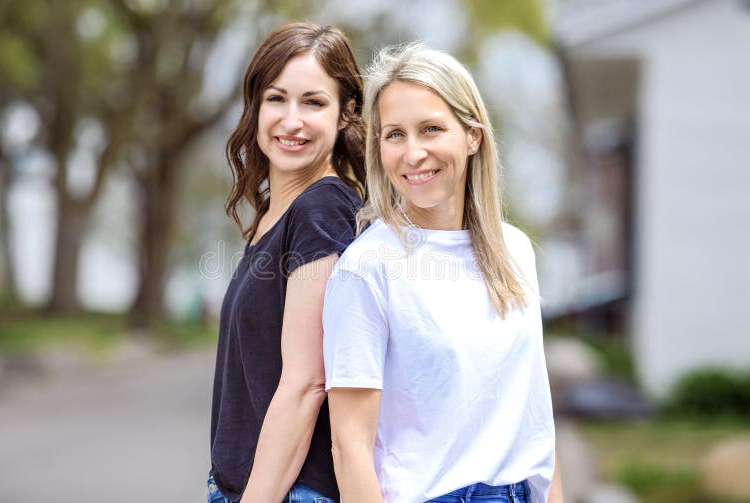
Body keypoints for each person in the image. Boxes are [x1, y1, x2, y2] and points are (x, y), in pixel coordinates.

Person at [322, 44, 564, 503]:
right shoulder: (367, 267)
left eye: (431, 129)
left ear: (472, 135)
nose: (413, 153)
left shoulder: (514, 250)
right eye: (394, 135)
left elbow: (535, 417)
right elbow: (349, 447)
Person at [207, 22, 365, 503]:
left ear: (345, 114)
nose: (291, 120)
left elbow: (307, 383)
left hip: (288, 491)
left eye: (313, 102)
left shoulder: (322, 207)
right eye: (276, 99)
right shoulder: (278, 212)